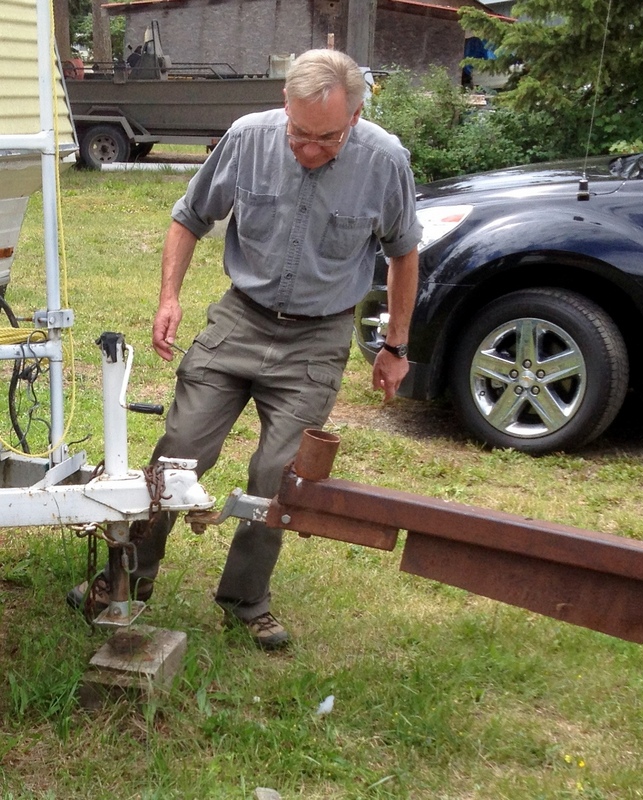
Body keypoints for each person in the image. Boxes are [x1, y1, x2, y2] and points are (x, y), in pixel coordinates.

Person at [68, 48, 422, 649]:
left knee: (279, 475)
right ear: (285, 105)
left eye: (328, 138)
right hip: (241, 317)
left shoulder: (384, 161)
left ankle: (245, 599)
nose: (309, 150)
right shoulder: (248, 138)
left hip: (318, 335)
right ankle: (126, 578)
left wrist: (396, 345)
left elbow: (404, 253)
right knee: (178, 452)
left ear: (356, 118)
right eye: (299, 133)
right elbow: (189, 216)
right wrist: (169, 297)